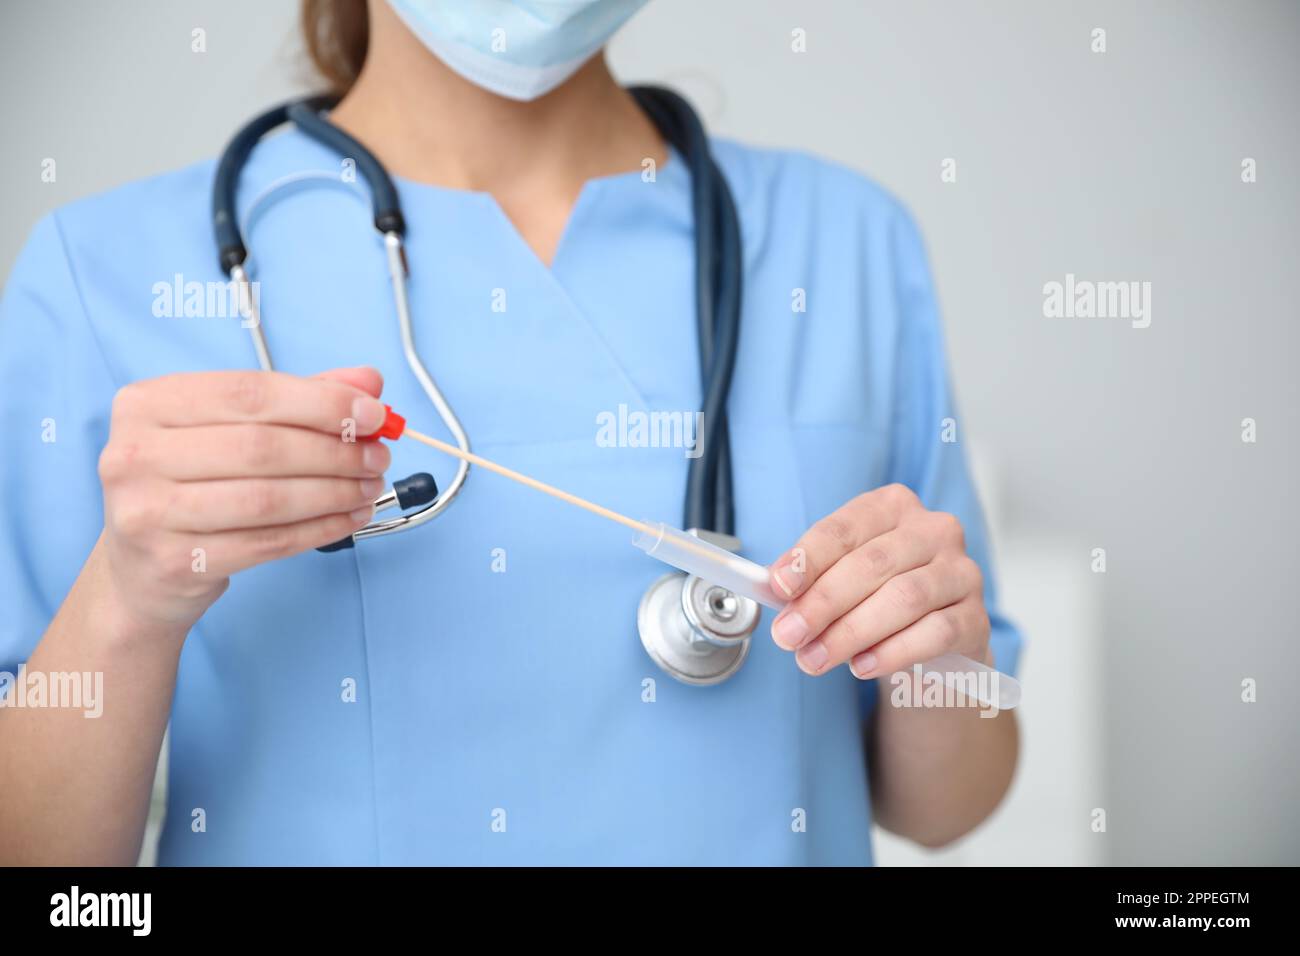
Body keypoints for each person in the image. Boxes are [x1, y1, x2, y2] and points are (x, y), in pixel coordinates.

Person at [0, 0, 1020, 865]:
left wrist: (940, 646)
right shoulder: (108, 276)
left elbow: (950, 806)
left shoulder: (842, 241)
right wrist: (127, 600)